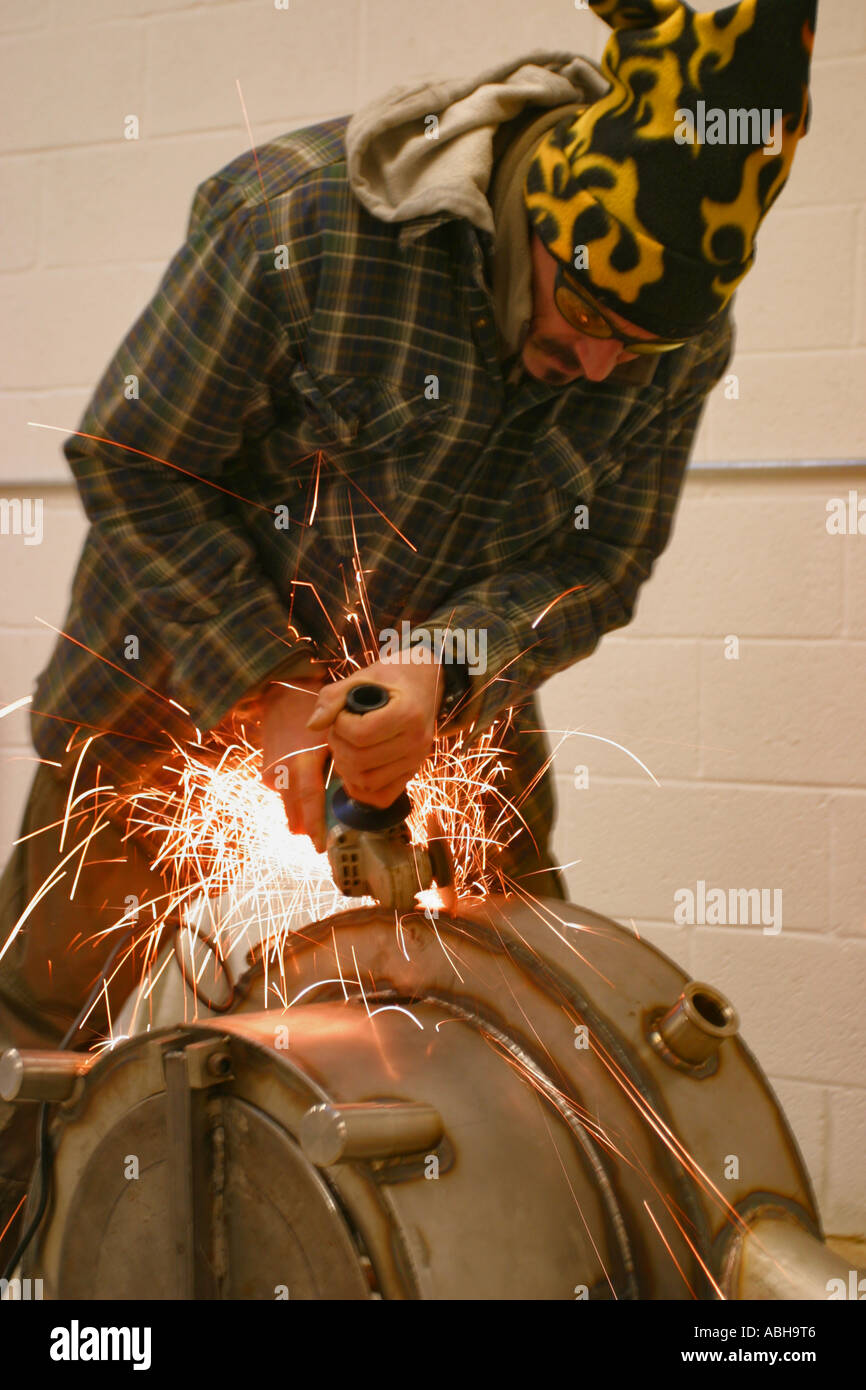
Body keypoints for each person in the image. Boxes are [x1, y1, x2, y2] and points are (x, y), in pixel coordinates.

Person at [0, 0, 818, 1256]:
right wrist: (262, 687)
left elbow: (598, 557)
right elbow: (136, 459)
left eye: (636, 346)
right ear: (540, 206)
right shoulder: (301, 218)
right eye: (584, 312)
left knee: (542, 1020)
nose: (601, 367)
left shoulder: (670, 330)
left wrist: (445, 665)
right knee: (36, 1020)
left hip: (448, 707)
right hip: (173, 673)